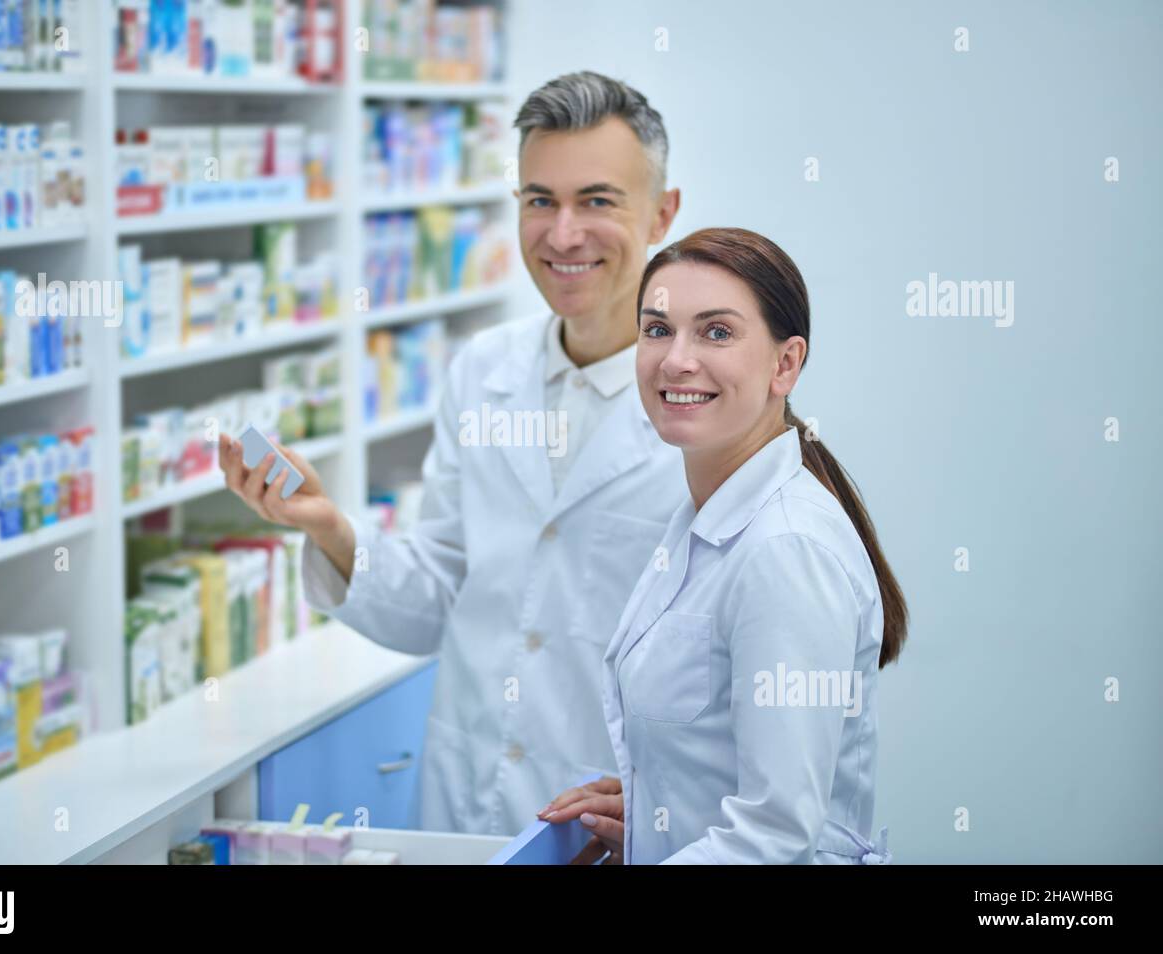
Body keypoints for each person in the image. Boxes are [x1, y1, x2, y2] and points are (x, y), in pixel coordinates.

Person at [217, 72, 686, 835]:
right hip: (470, 799)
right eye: (540, 200)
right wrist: (327, 526)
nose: (563, 234)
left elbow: (730, 648)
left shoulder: (699, 400)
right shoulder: (481, 370)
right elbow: (442, 594)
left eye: (597, 201)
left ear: (663, 213)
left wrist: (678, 798)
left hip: (621, 819)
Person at [540, 228, 908, 863]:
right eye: (657, 330)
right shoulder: (707, 516)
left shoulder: (784, 550)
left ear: (785, 364)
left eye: (716, 332)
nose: (676, 360)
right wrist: (659, 810)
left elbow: (775, 835)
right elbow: (739, 773)